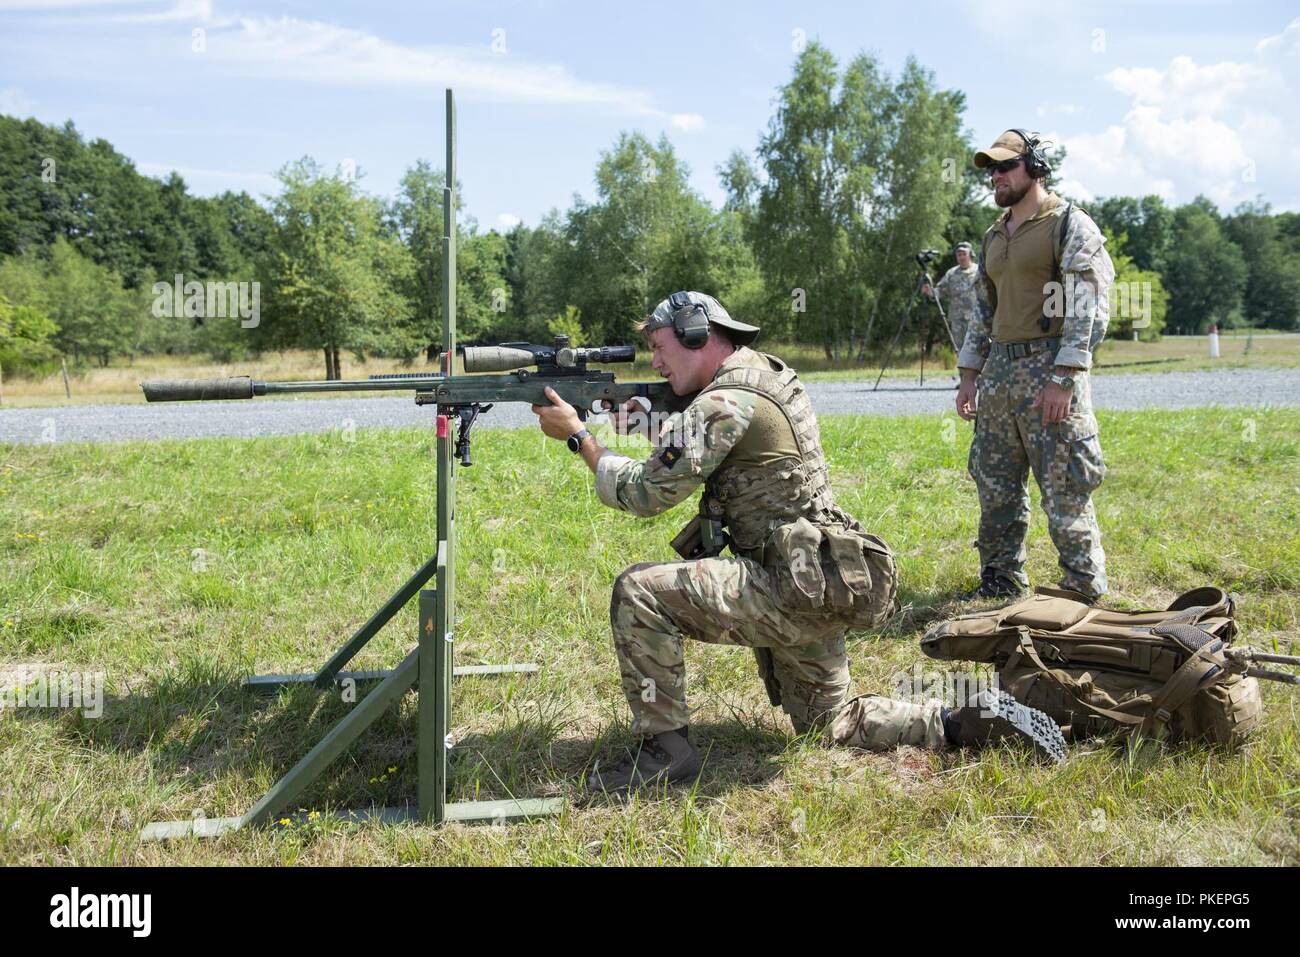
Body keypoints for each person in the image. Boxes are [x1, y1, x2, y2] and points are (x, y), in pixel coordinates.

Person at [531, 291, 899, 792]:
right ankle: (962, 720)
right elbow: (700, 442)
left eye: (661, 348)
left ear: (696, 334)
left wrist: (581, 438)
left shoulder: (725, 401)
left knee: (639, 592)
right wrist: (636, 416)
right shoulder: (759, 375)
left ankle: (667, 753)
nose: (656, 363)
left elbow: (646, 493)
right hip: (815, 582)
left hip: (787, 587)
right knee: (834, 726)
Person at [954, 129, 1115, 601]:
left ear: (1035, 168)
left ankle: (1083, 591)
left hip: (1049, 371)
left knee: (1065, 487)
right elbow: (984, 310)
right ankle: (1001, 580)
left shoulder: (1069, 224)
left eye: (1005, 167)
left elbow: (1088, 310)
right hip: (1000, 376)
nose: (996, 177)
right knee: (996, 485)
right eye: (991, 170)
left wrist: (1063, 378)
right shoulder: (993, 236)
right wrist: (969, 375)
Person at [923, 242, 980, 353]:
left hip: (977, 319)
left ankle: (980, 371)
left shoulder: (979, 271)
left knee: (978, 350)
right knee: (960, 350)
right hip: (957, 321)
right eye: (959, 255)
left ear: (970, 254)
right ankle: (962, 371)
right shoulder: (951, 273)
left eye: (964, 254)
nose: (961, 257)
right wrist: (929, 291)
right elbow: (939, 291)